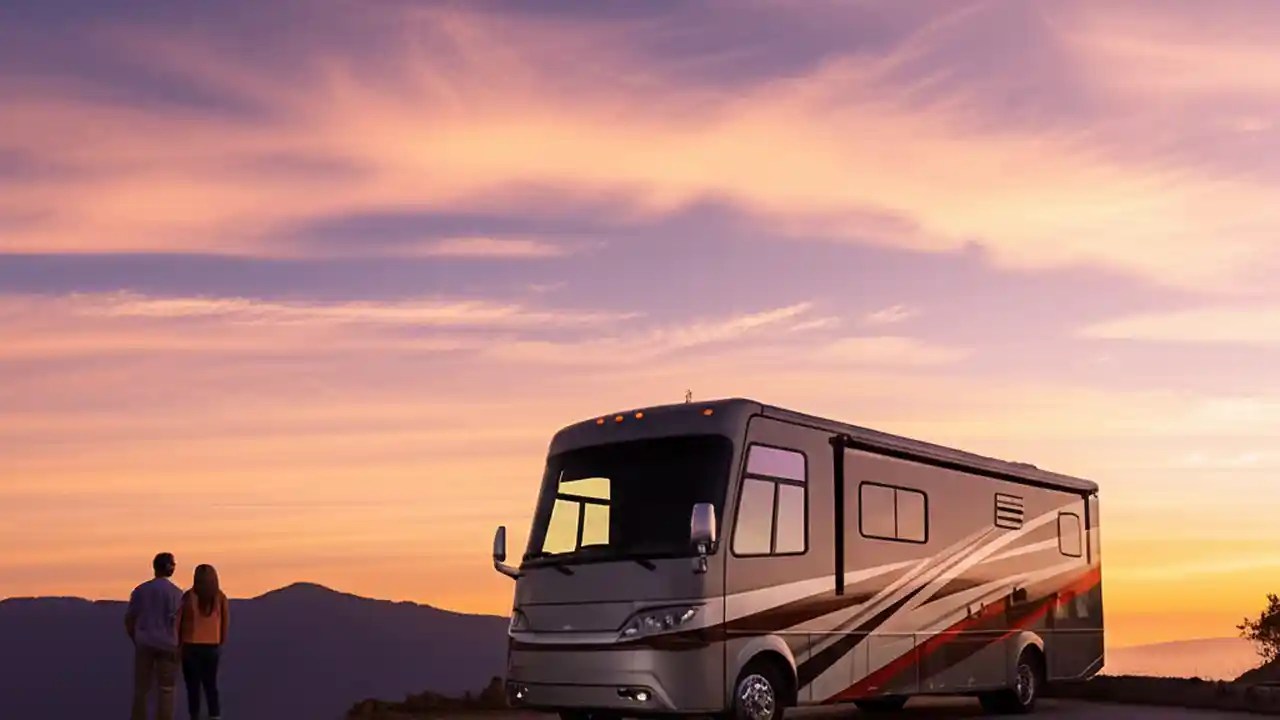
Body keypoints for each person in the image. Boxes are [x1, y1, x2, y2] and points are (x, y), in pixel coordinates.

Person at [125, 552, 184, 720]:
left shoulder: (141, 590)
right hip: (169, 644)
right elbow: (181, 622)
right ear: (169, 567)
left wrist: (136, 639)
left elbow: (130, 619)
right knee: (166, 689)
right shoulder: (177, 593)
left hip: (145, 643)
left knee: (142, 689)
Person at [179, 564, 229, 720]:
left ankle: (194, 715)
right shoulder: (220, 597)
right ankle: (214, 715)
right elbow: (225, 621)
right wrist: (220, 640)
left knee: (193, 686)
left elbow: (179, 621)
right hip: (212, 645)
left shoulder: (189, 596)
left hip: (190, 645)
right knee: (211, 684)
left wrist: (178, 643)